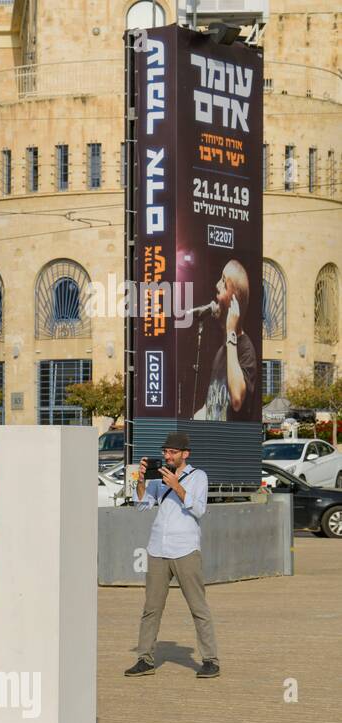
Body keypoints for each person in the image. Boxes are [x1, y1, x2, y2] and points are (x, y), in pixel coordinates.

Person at [125, 432, 220, 678]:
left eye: (172, 453)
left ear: (184, 454)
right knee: (151, 608)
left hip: (185, 549)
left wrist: (176, 486)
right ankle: (145, 659)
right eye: (165, 452)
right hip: (157, 548)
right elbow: (142, 503)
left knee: (198, 607)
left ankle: (210, 660)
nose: (167, 456)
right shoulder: (160, 477)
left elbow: (199, 509)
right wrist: (142, 479)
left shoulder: (198, 476)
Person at [192, 259, 258, 422]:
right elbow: (212, 405)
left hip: (230, 445)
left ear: (233, 300)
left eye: (223, 282)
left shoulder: (245, 350)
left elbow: (236, 400)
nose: (217, 285)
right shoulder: (222, 352)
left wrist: (231, 333)